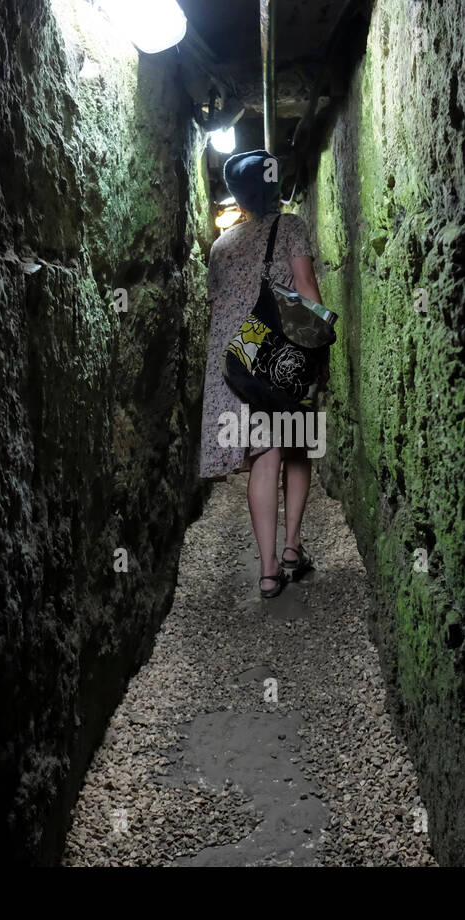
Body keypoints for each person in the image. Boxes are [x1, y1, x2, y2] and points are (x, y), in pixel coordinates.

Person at [200, 149, 328, 598]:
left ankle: (269, 569)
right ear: (273, 186)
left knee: (261, 456)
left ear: (237, 193)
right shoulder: (290, 226)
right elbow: (307, 289)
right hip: (282, 354)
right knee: (295, 446)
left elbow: (220, 304)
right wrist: (324, 341)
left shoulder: (220, 246)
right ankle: (292, 546)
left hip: (241, 363)